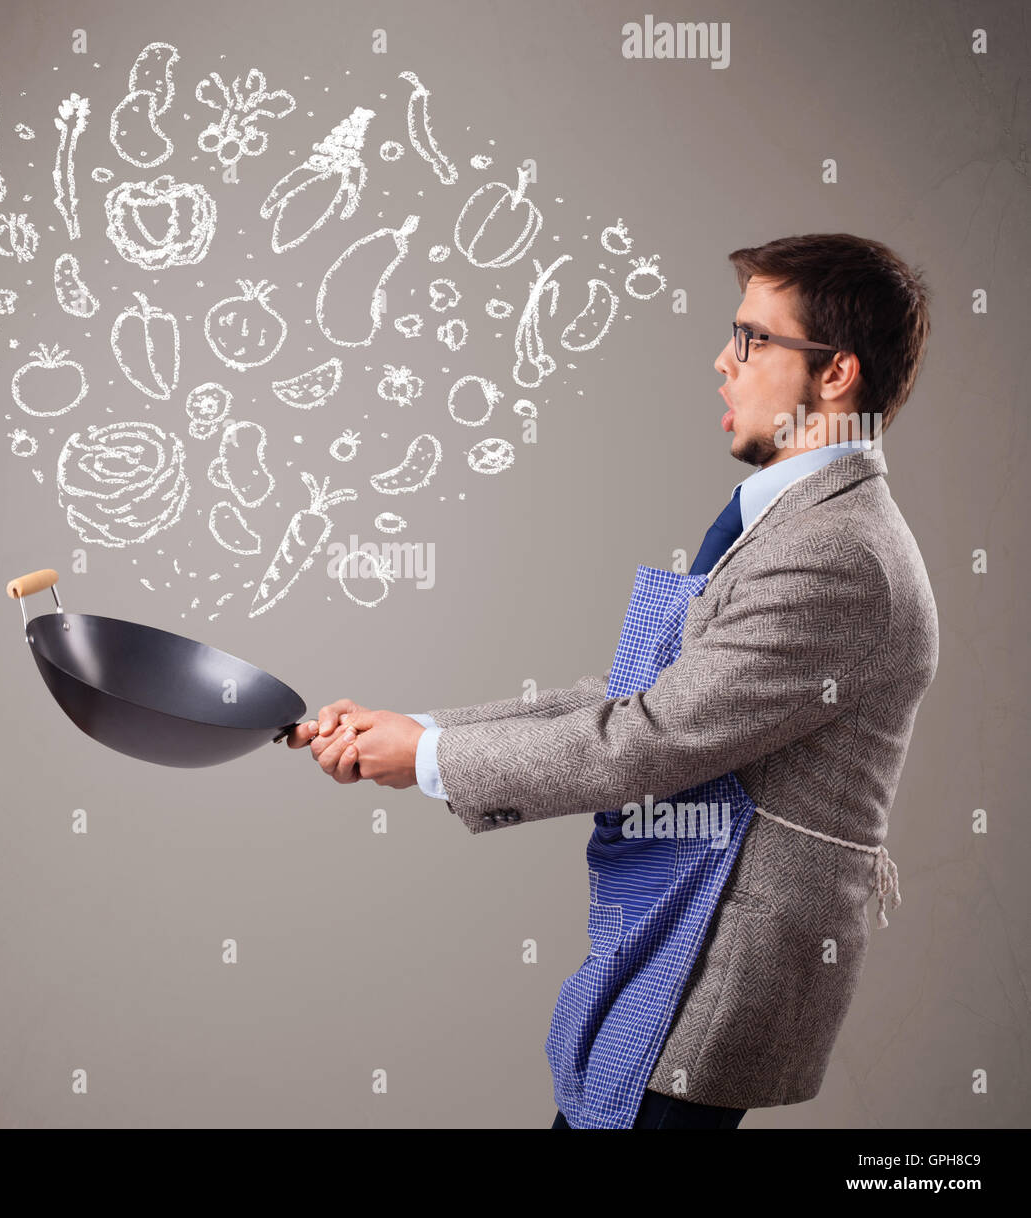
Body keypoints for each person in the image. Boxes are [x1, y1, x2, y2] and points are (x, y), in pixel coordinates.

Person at [287, 233, 937, 1129]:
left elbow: (651, 739)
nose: (723, 361)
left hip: (710, 963)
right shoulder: (798, 524)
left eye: (753, 339)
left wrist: (432, 758)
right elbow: (635, 694)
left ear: (835, 375)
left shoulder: (837, 554)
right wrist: (423, 729)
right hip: (674, 938)